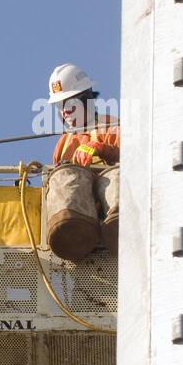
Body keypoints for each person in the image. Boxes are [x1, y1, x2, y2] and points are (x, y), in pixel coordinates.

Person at [45, 63, 120, 252]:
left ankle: (119, 221)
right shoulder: (63, 144)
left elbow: (135, 160)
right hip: (80, 223)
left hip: (111, 213)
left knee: (116, 175)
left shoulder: (109, 125)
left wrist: (102, 149)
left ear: (86, 99)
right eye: (60, 106)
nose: (65, 111)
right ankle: (68, 229)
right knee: (62, 177)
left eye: (69, 104)